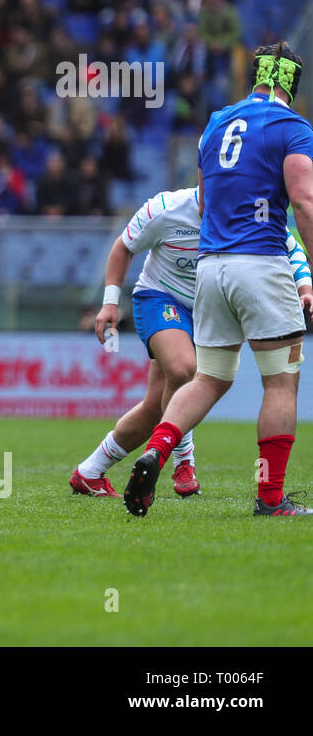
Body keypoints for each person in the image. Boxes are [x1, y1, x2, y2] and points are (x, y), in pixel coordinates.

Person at [125, 43, 313, 517]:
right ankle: (270, 498)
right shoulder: (293, 128)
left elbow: (207, 204)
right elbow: (304, 200)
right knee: (281, 383)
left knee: (209, 378)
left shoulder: (216, 123)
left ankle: (157, 451)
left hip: (211, 269)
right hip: (262, 263)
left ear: (255, 78)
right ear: (292, 82)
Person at [71, 186, 312, 497]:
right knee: (185, 369)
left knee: (154, 410)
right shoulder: (165, 208)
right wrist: (109, 302)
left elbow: (291, 247)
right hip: (160, 298)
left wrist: (304, 285)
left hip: (207, 308)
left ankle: (89, 472)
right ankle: (185, 462)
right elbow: (123, 247)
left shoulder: (244, 209)